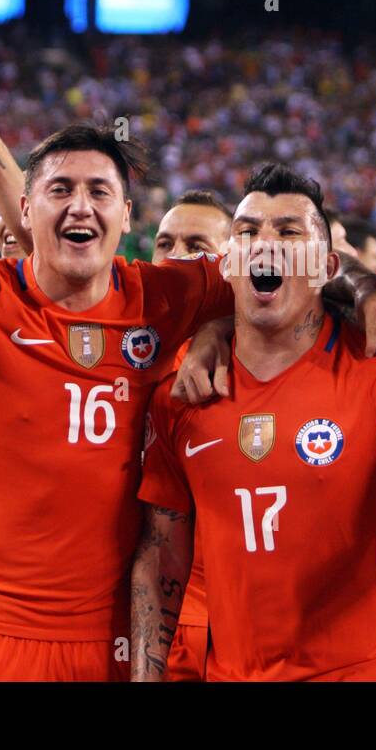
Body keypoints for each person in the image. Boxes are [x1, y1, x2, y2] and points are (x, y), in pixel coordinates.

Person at [0, 0, 376, 680]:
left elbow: (294, 255)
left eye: (100, 192)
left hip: (118, 632)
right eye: (60, 190)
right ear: (25, 210)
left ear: (128, 220)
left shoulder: (165, 293)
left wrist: (367, 286)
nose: (79, 205)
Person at [131, 163, 376, 681]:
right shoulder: (184, 395)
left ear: (326, 265)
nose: (266, 243)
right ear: (228, 263)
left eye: (288, 232)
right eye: (247, 232)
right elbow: (161, 555)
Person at [151, 189, 233, 682]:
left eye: (197, 245)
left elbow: (333, 282)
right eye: (165, 243)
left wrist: (220, 324)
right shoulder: (118, 335)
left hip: (223, 621)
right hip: (122, 615)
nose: (177, 257)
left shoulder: (263, 353)